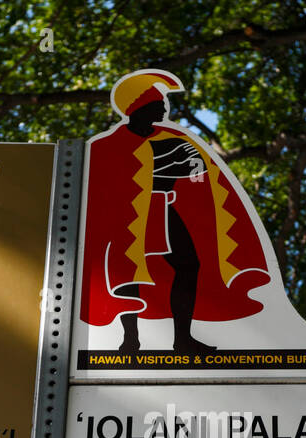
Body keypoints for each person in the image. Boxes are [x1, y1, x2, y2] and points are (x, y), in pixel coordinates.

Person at [80, 70, 271, 355]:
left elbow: (197, 173)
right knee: (127, 273)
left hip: (160, 208)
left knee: (188, 265)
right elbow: (105, 181)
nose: (164, 107)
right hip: (127, 215)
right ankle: (130, 339)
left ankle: (182, 339)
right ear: (139, 106)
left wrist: (180, 168)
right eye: (158, 101)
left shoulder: (172, 139)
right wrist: (153, 171)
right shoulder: (107, 144)